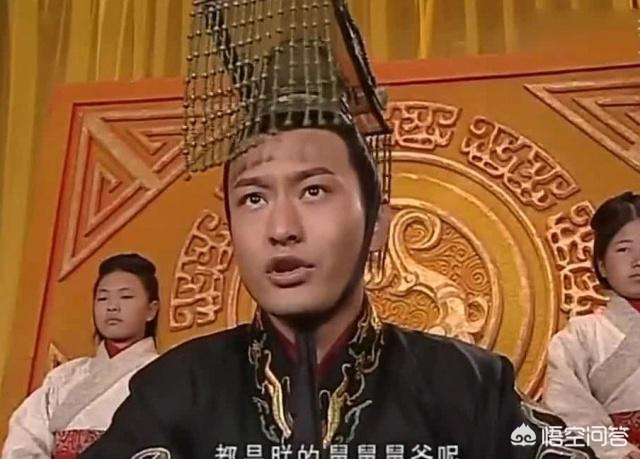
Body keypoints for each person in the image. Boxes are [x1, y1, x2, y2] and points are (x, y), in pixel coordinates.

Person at [78, 2, 592, 459]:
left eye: (313, 191)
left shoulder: (470, 384)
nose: (282, 229)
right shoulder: (174, 390)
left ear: (376, 226)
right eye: (254, 198)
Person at [1, 253, 160, 459]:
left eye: (126, 297)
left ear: (151, 310)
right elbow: (24, 439)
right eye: (103, 298)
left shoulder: (164, 375)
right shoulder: (64, 376)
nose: (112, 306)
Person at [544, 191, 640, 459]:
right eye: (623, 249)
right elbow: (566, 406)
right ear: (602, 265)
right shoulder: (580, 335)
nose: (638, 260)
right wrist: (617, 451)